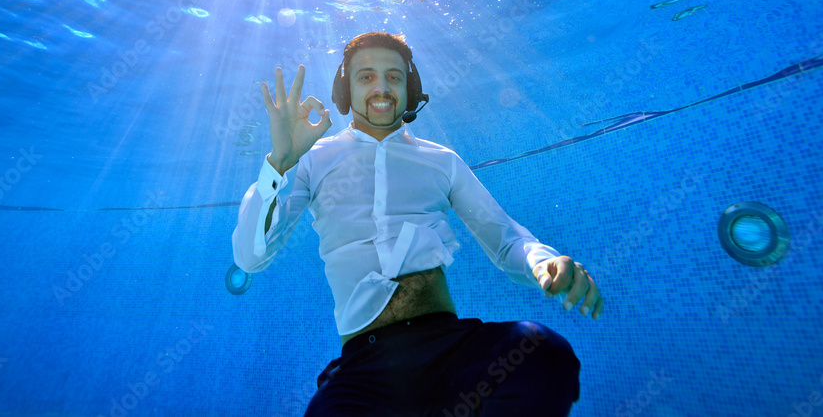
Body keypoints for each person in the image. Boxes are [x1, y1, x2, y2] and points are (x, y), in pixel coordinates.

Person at [232, 32, 603, 416]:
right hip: (365, 367)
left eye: (394, 76)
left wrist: (542, 261)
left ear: (411, 88)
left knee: (542, 350)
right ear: (345, 91)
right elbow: (250, 257)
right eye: (365, 77)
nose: (381, 87)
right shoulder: (312, 161)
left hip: (451, 350)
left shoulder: (442, 161)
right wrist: (278, 163)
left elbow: (506, 240)